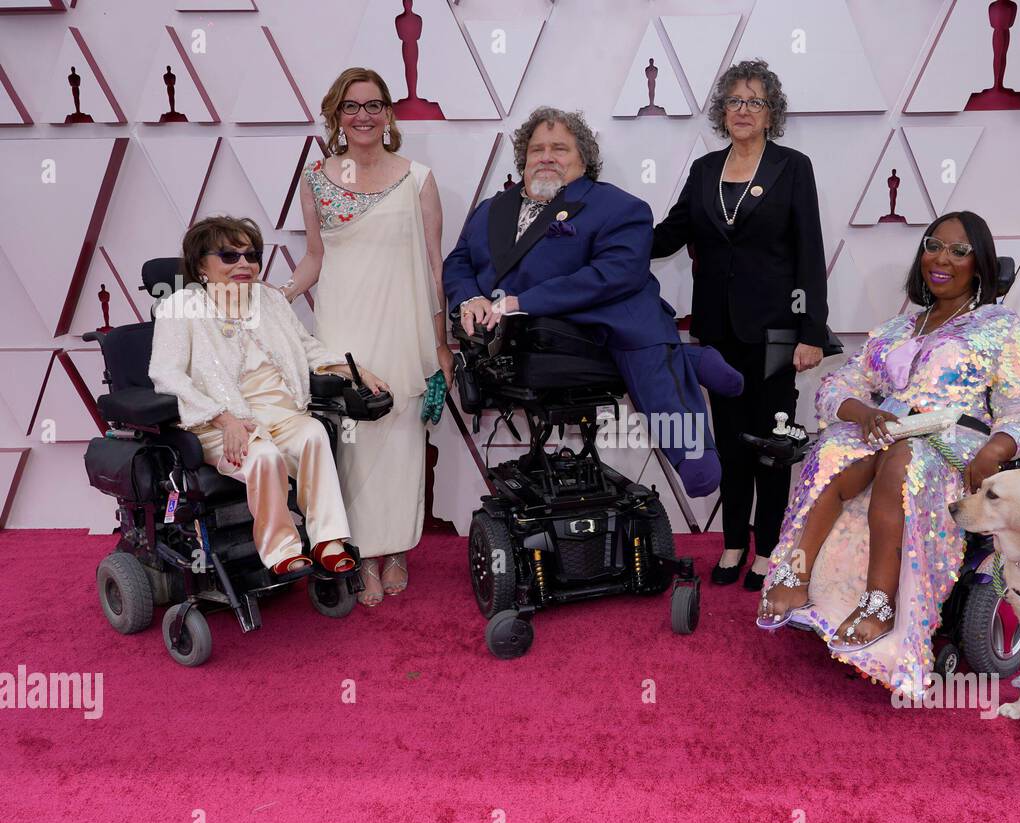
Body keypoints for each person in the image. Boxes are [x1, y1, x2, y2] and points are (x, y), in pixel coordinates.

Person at [757, 211, 1020, 699]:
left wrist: (997, 448)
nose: (942, 258)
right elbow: (841, 383)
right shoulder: (897, 328)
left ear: (979, 264)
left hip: (956, 436)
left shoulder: (1000, 328)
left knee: (904, 458)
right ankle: (797, 571)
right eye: (934, 245)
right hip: (888, 427)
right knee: (834, 449)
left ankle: (882, 602)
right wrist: (860, 412)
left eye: (959, 251)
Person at [442, 106, 743, 498]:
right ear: (523, 159)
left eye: (560, 149)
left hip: (607, 317)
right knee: (645, 353)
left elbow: (617, 273)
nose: (546, 156)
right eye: (537, 149)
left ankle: (690, 449)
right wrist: (471, 298)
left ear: (583, 159)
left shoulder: (620, 207)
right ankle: (691, 360)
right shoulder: (490, 209)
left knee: (643, 350)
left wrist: (521, 301)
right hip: (526, 336)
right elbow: (459, 261)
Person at [653, 59, 827, 590]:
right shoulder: (705, 171)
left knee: (770, 443)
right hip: (717, 331)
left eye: (754, 101)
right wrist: (612, 235)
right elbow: (670, 235)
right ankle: (732, 544)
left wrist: (810, 331)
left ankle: (769, 551)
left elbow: (808, 252)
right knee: (729, 441)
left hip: (777, 332)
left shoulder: (792, 167)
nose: (743, 110)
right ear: (721, 111)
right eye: (734, 101)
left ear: (771, 112)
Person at [285, 67, 453, 607]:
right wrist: (272, 296)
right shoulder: (315, 179)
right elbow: (314, 258)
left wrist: (441, 343)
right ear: (336, 114)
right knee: (351, 441)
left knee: (401, 437)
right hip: (342, 329)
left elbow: (434, 269)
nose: (363, 115)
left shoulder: (418, 178)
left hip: (404, 328)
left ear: (388, 114)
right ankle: (361, 549)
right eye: (351, 106)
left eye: (374, 105)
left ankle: (397, 550)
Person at [149, 216, 387, 576]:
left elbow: (306, 348)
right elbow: (165, 374)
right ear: (201, 264)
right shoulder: (181, 306)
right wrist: (223, 418)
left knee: (314, 434)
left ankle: (327, 539)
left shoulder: (270, 300)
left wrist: (353, 371)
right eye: (229, 256)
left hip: (282, 413)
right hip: (223, 424)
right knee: (263, 458)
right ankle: (281, 550)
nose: (244, 264)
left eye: (251, 255)